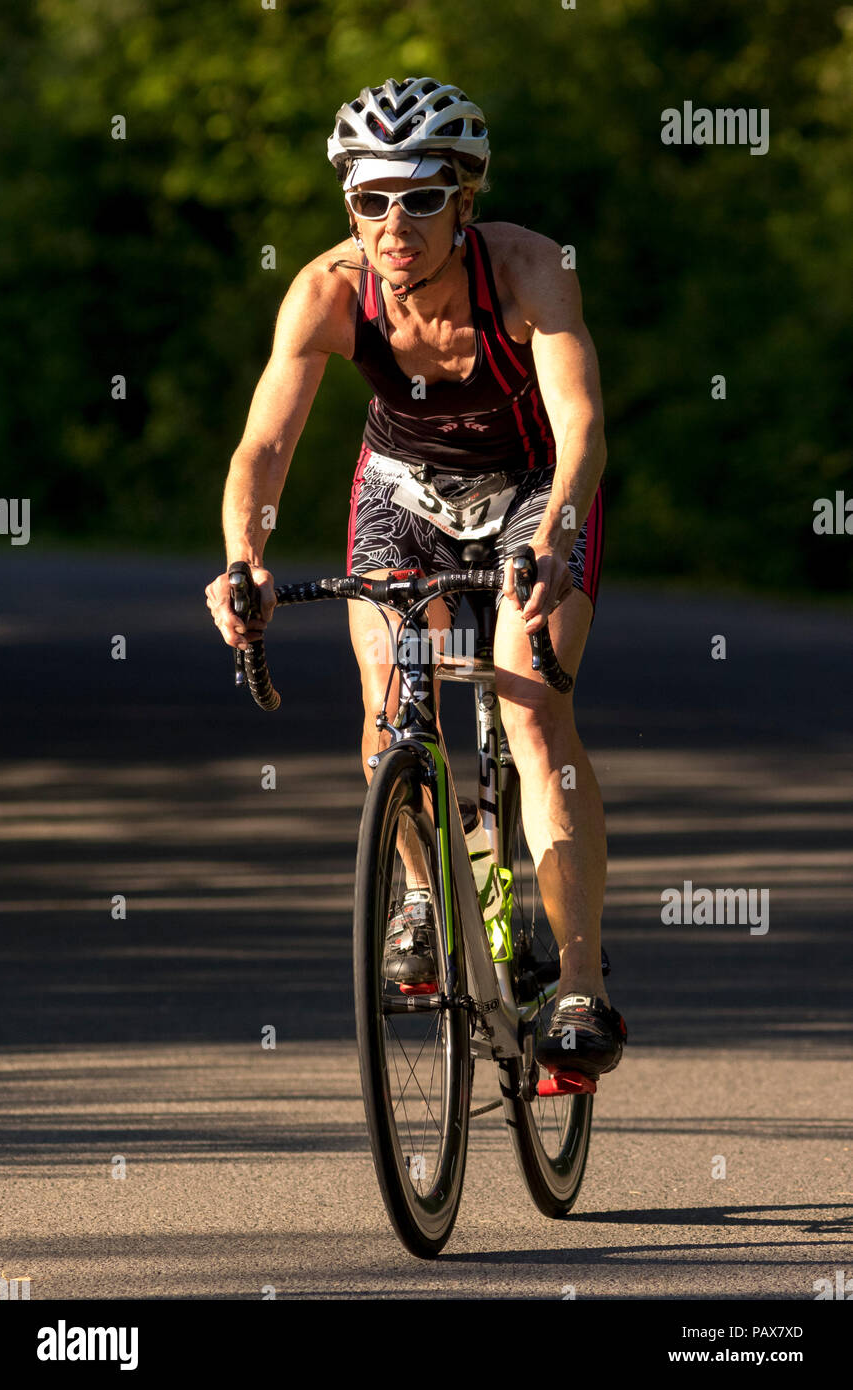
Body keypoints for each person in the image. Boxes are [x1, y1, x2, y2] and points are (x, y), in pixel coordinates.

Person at [206, 77, 626, 1083]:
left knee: (529, 711)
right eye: (369, 198)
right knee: (389, 710)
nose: (393, 224)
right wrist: (244, 560)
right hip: (403, 490)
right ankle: (428, 898)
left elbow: (581, 429)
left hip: (533, 489)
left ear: (466, 199)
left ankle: (576, 985)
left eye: (421, 197)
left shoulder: (527, 272)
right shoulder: (326, 291)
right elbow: (263, 447)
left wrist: (557, 536)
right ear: (346, 202)